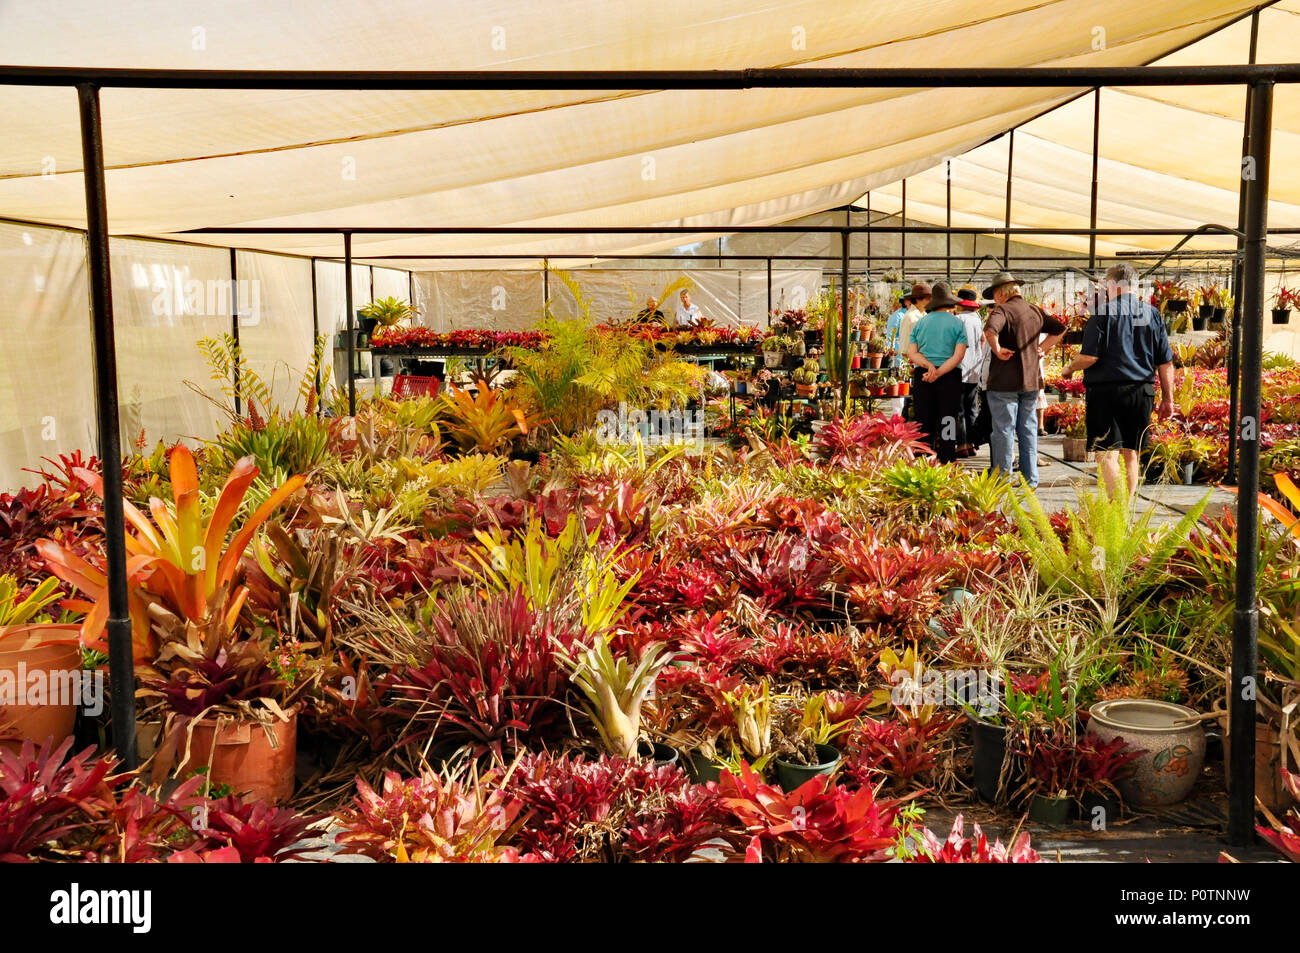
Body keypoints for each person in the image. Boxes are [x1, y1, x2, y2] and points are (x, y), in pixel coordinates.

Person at [1062, 262, 1175, 498]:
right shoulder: (1152, 314)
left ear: (1113, 284)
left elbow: (1090, 357)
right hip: (1141, 392)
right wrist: (1168, 399)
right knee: (1131, 452)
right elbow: (1165, 363)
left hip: (1106, 393)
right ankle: (1127, 507)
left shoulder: (1102, 312)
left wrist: (1070, 368)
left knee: (1106, 452)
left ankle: (1116, 508)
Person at [981, 271, 1066, 489]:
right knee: (1028, 429)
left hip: (1003, 382)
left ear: (1001, 293)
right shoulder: (1034, 310)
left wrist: (998, 350)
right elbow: (1060, 329)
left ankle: (1004, 478)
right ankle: (1031, 479)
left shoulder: (1002, 310)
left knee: (1003, 430)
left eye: (995, 295)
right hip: (1030, 381)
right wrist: (1042, 348)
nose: (995, 299)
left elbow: (990, 331)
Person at [906, 281, 967, 464]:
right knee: (948, 418)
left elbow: (912, 353)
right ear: (950, 302)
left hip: (923, 376)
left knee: (923, 418)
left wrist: (929, 367)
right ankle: (948, 457)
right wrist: (939, 372)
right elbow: (958, 355)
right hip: (949, 377)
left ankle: (923, 458)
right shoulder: (958, 324)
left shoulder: (921, 322)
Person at [954, 286, 986, 457]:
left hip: (959, 368)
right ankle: (973, 444)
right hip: (975, 369)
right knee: (971, 407)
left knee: (958, 409)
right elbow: (982, 340)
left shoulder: (958, 319)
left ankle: (961, 444)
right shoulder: (977, 319)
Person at [897, 282, 932, 364]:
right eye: (928, 298)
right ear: (917, 299)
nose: (931, 301)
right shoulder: (910, 317)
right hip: (913, 364)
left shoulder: (924, 315)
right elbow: (905, 348)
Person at [883, 293, 909, 367]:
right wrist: (890, 352)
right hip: (899, 354)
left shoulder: (912, 314)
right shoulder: (897, 316)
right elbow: (890, 335)